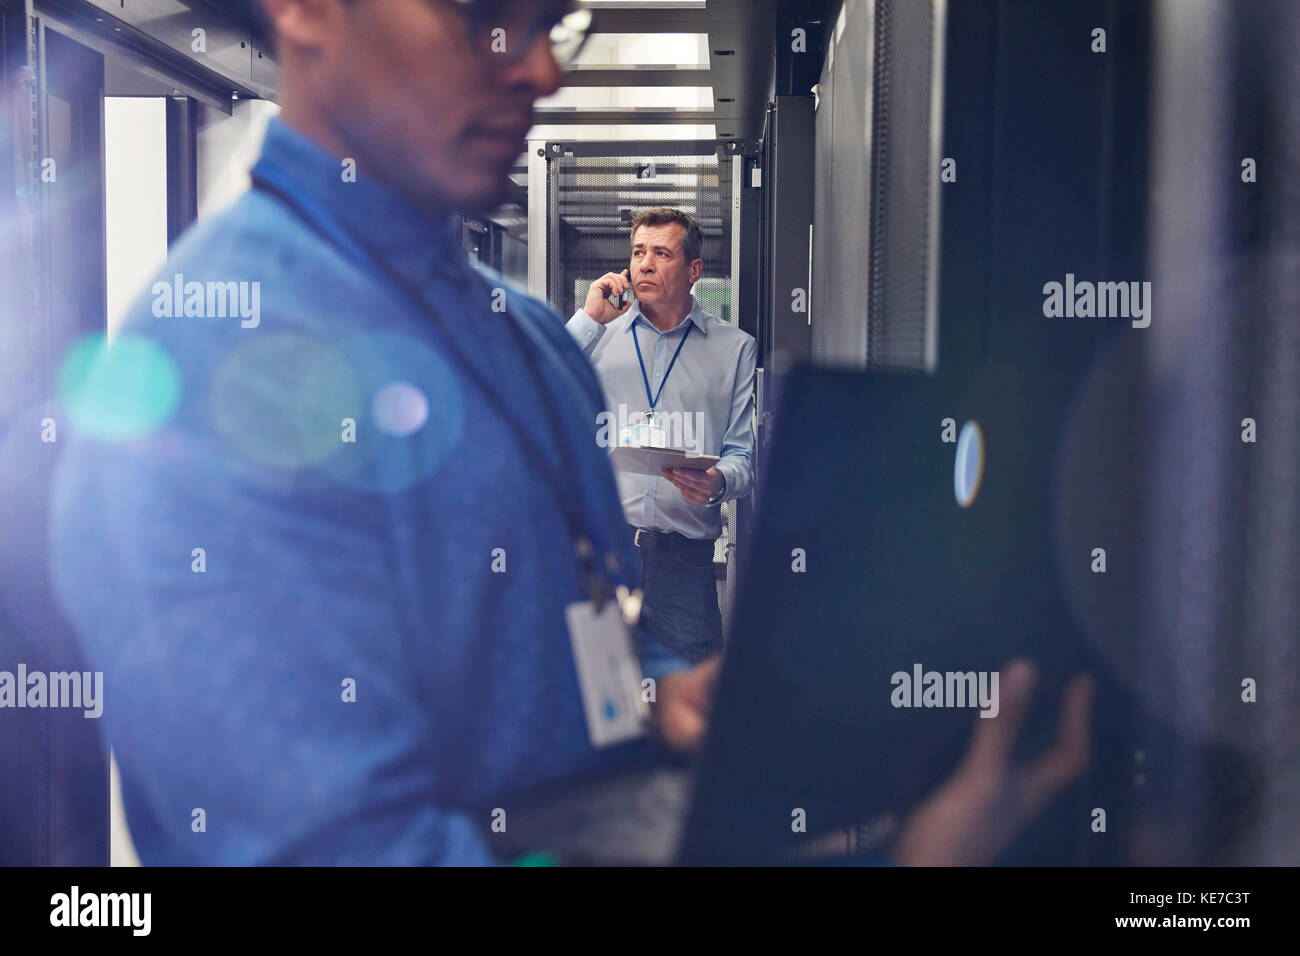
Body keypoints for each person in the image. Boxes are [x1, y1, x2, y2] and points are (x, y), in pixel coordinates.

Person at [46, 0, 1091, 866]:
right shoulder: (210, 374)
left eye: (554, 22)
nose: (541, 68)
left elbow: (588, 646)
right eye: (483, 16)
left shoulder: (532, 339)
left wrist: (658, 696)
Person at [568, 208, 756, 662]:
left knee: (690, 706)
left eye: (660, 253)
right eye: (637, 252)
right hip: (604, 555)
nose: (644, 264)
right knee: (600, 700)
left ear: (694, 270)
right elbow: (538, 386)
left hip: (685, 565)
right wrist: (588, 320)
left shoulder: (734, 349)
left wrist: (718, 483)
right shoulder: (600, 334)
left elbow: (742, 455)